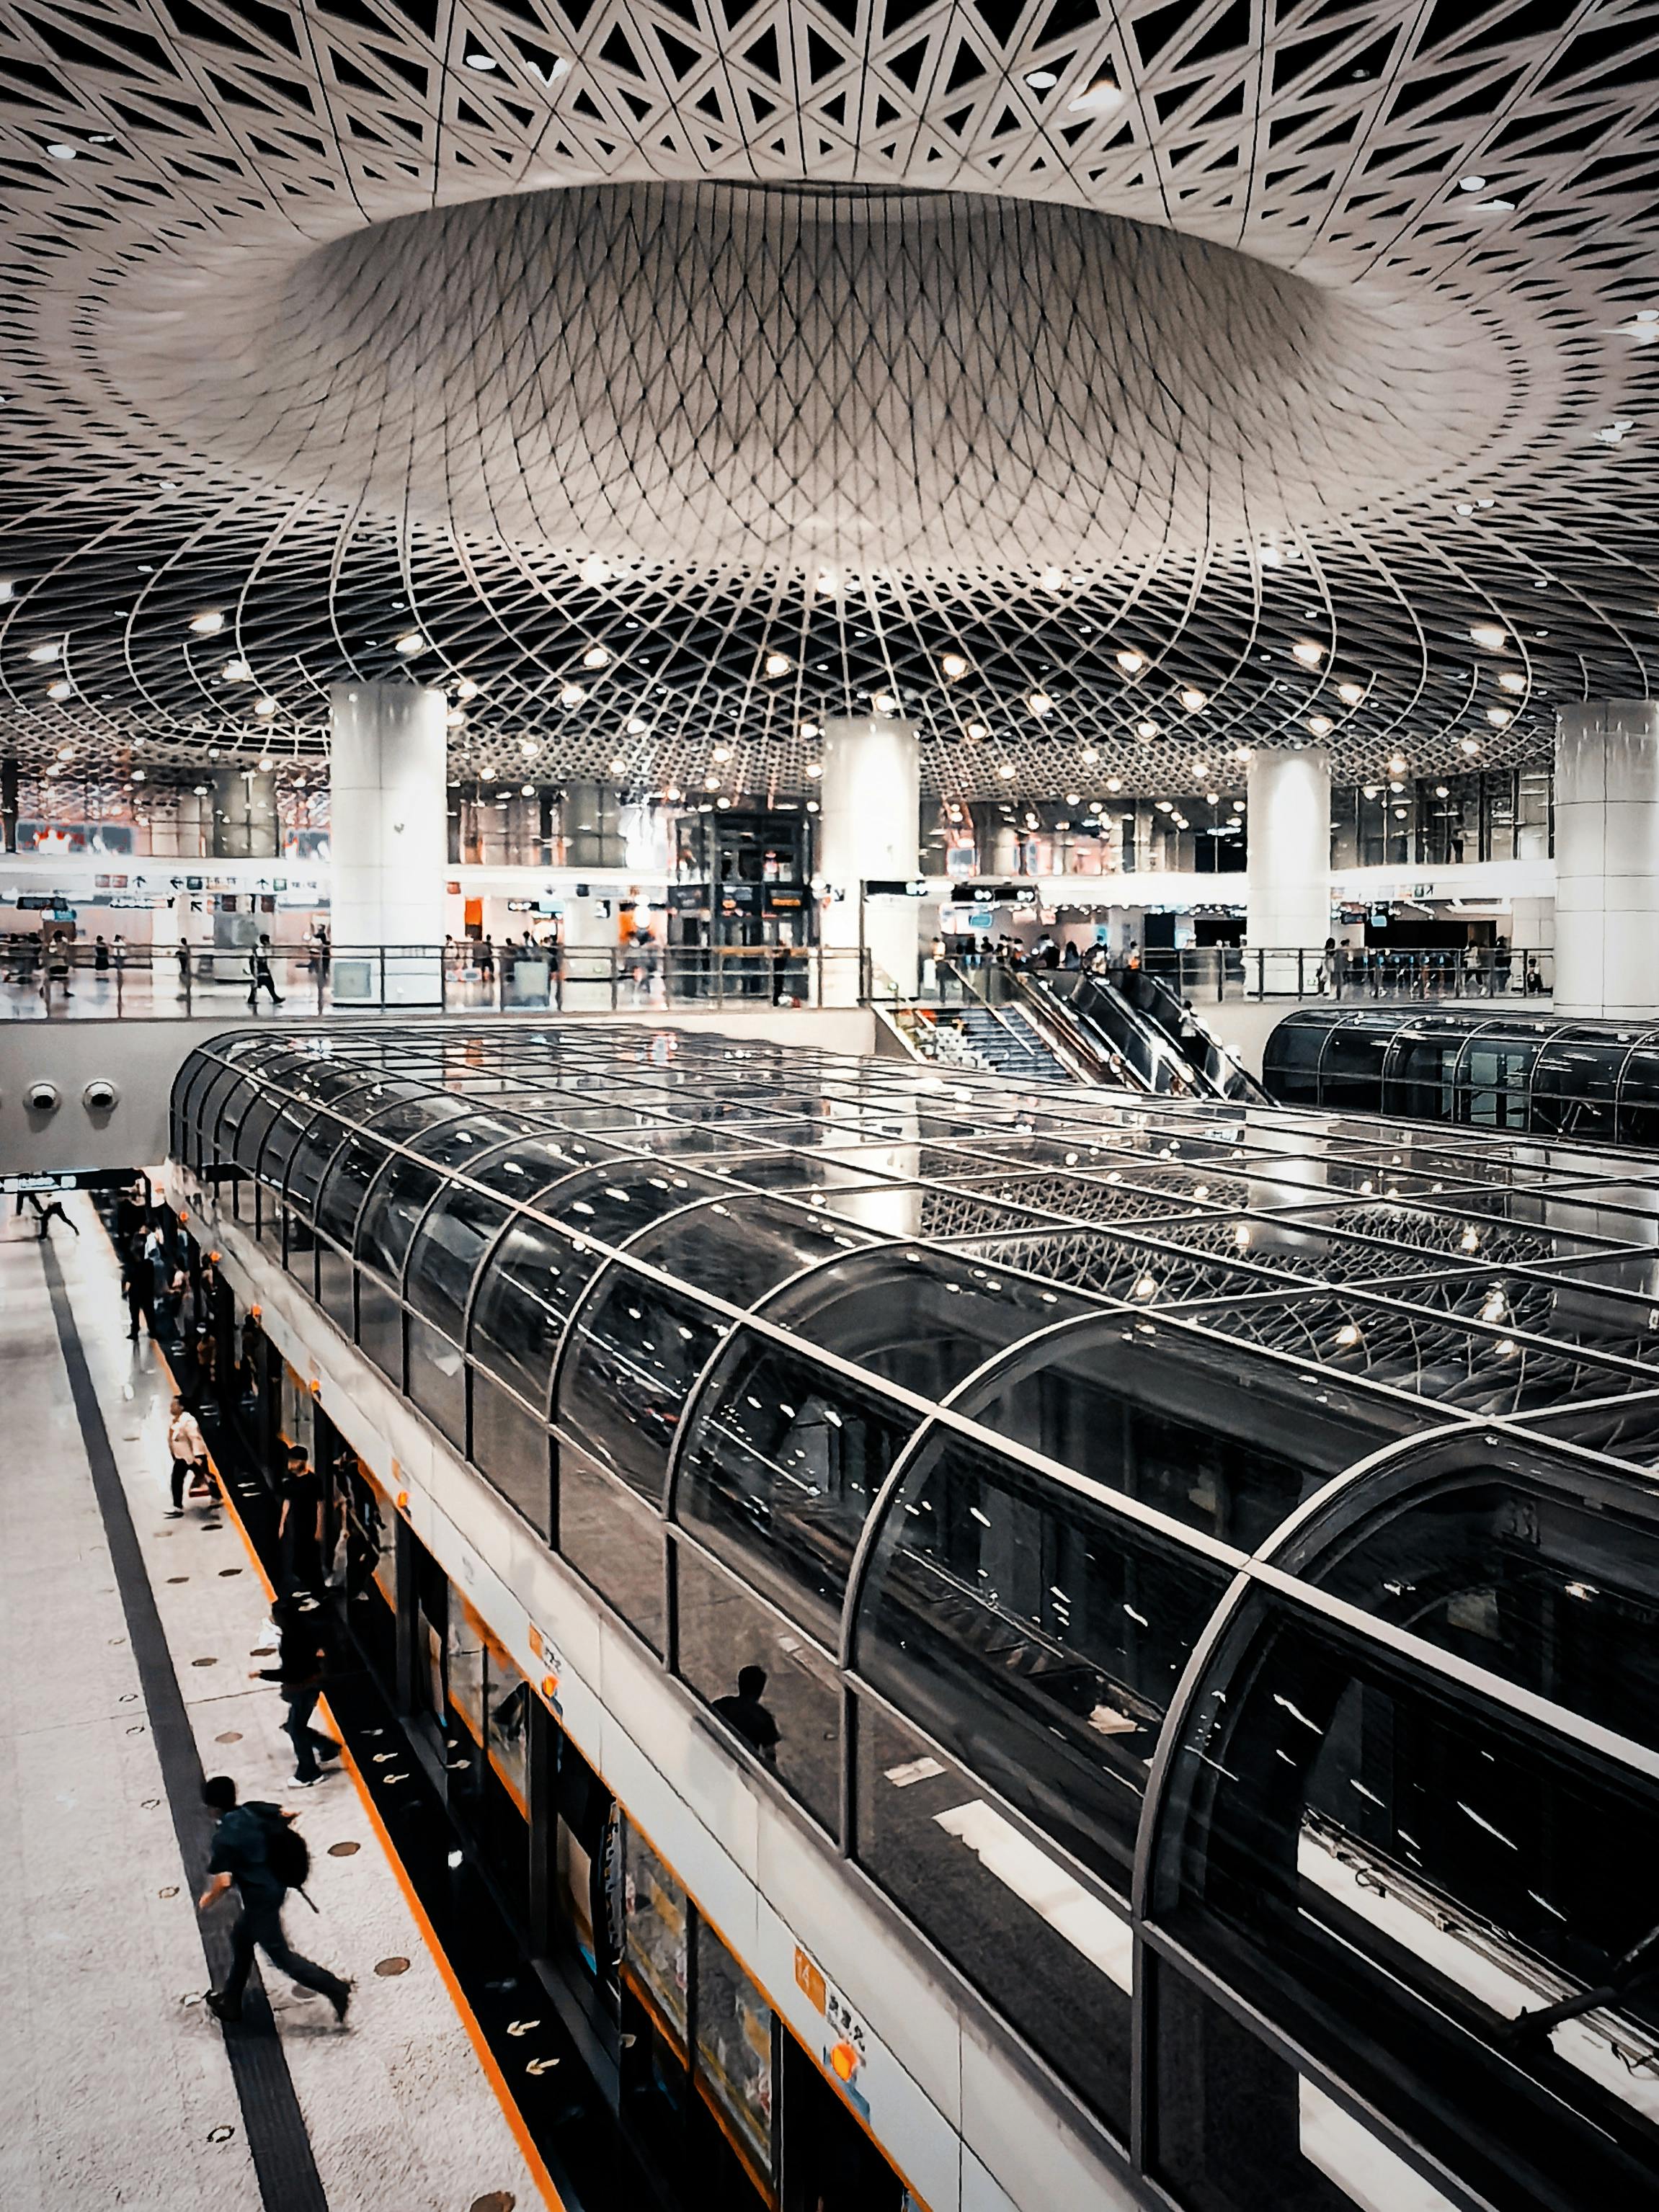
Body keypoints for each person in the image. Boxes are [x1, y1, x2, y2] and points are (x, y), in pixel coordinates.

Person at [197, 1775, 351, 2025]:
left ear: (213, 1806)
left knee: (280, 1956)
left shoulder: (225, 1836)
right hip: (275, 1884)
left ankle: (334, 1988)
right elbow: (288, 1813)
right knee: (241, 1938)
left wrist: (207, 1900)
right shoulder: (252, 1810)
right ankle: (231, 2000)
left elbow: (224, 1881)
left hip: (261, 1898)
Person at [254, 1595, 341, 1786]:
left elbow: (291, 1673)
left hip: (302, 1688)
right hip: (311, 1684)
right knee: (295, 1725)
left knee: (296, 1729)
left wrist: (263, 1674)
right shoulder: (308, 1629)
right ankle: (327, 1747)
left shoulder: (291, 1641)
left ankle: (309, 1772)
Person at [278, 1442, 325, 1595]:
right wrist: (282, 1524)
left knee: (311, 1557)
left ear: (302, 1462)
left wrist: (319, 1528)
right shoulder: (290, 1482)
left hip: (310, 1523)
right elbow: (287, 1502)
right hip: (295, 1524)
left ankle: (317, 1591)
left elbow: (320, 1505)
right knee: (297, 1556)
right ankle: (305, 1586)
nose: (290, 1464)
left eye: (294, 1461)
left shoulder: (314, 1482)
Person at [711, 1664, 780, 1765]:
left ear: (740, 1683)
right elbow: (770, 1758)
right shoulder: (765, 1718)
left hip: (714, 1754)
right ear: (761, 1689)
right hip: (740, 1767)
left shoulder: (722, 1704)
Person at [165, 1393, 210, 1516]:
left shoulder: (188, 1420)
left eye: (174, 1405)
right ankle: (177, 1506)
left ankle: (217, 1494)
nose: (171, 1407)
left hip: (191, 1457)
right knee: (178, 1480)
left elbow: (195, 1438)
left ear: (182, 1407)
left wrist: (198, 1456)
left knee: (205, 1476)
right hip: (182, 1457)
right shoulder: (177, 1420)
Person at [246, 933, 283, 1010]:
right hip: (261, 971)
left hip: (260, 971)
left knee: (258, 985)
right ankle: (275, 998)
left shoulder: (259, 948)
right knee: (269, 984)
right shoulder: (260, 949)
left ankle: (252, 999)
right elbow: (261, 960)